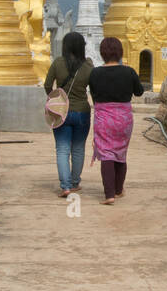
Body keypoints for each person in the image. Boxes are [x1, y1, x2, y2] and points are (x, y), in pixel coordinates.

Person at [87, 37, 144, 205]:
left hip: (104, 118)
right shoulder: (129, 72)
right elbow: (139, 92)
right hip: (124, 119)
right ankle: (119, 190)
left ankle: (109, 194)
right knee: (120, 153)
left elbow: (94, 93)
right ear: (120, 52)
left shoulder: (95, 73)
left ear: (102, 53)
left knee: (106, 154)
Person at [44, 32, 94, 197]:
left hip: (61, 112)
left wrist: (55, 98)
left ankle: (65, 186)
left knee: (62, 149)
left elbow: (47, 85)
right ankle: (74, 183)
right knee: (78, 149)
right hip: (82, 112)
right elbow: (93, 89)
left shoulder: (58, 63)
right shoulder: (88, 66)